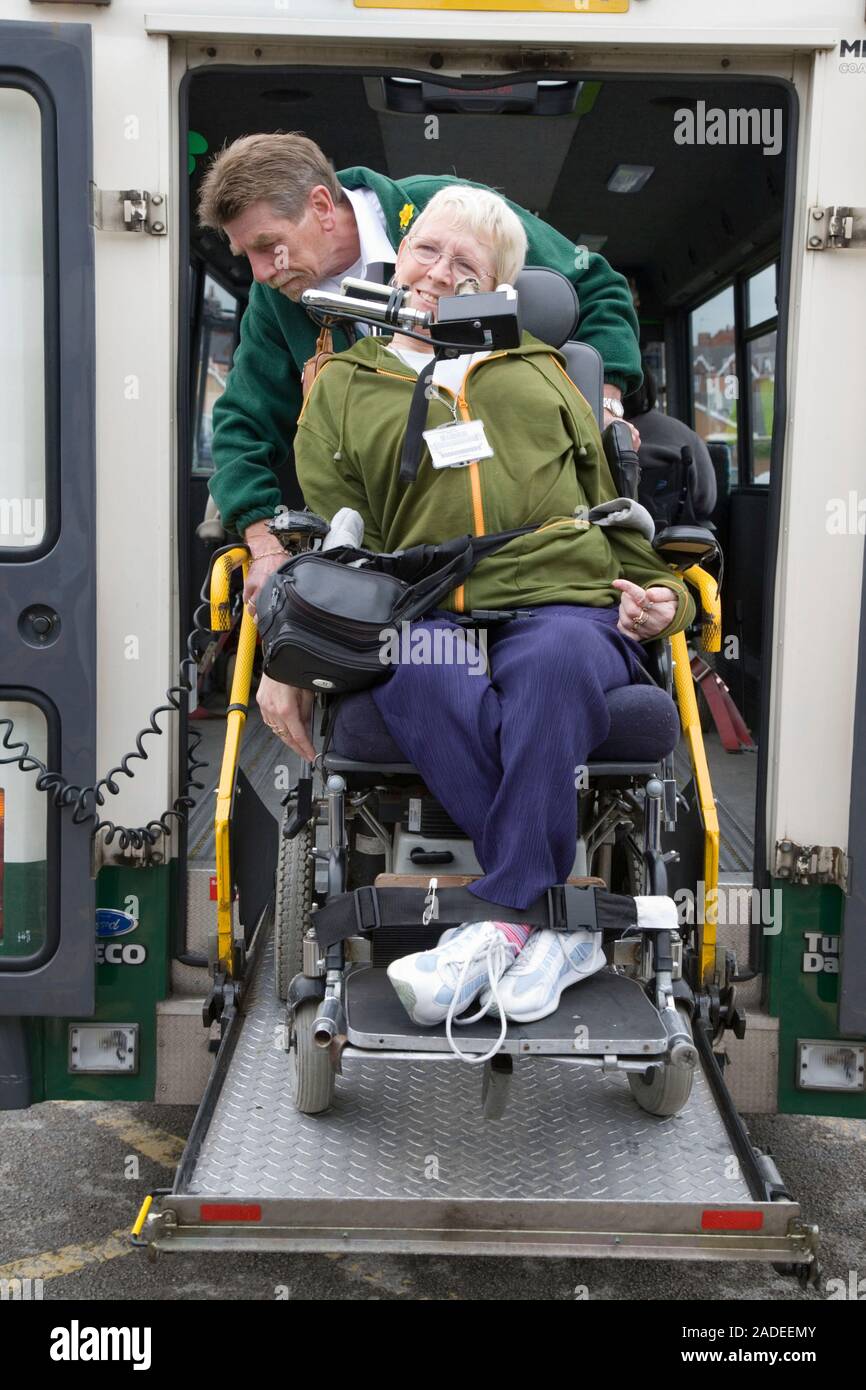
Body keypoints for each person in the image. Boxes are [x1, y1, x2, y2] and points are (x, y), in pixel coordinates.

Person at [285, 185, 695, 1049]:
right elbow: (338, 538)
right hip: (425, 601)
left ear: (499, 290)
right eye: (427, 251)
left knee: (550, 663)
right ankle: (558, 928)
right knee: (418, 670)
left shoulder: (545, 374)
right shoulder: (344, 384)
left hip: (562, 598)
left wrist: (667, 599)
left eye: (464, 264)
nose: (437, 273)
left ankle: (505, 919)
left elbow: (610, 516)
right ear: (400, 256)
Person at [195, 133, 644, 744]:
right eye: (247, 254)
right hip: (390, 565)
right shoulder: (281, 301)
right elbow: (243, 420)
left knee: (547, 657)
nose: (260, 271)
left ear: (324, 207)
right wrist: (264, 545)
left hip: (530, 554)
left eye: (269, 246)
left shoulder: (450, 216)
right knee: (419, 662)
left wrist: (606, 399)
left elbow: (598, 287)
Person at [623, 362, 718, 526]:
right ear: (649, 388)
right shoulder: (685, 435)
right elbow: (706, 503)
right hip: (674, 542)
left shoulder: (592, 434)